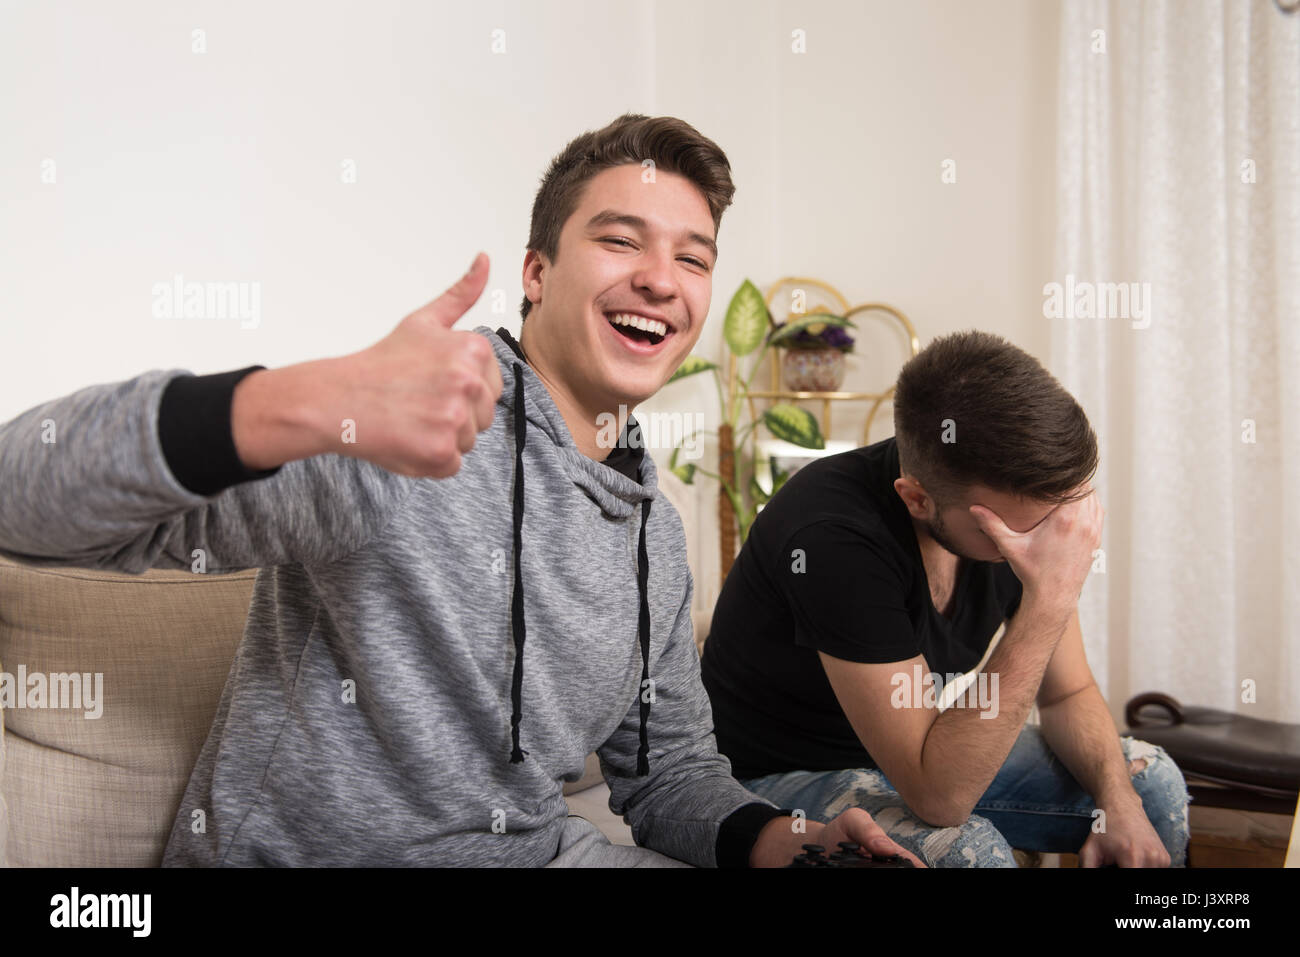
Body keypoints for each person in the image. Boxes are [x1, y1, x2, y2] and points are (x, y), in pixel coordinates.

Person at [0, 113, 920, 868]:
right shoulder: (402, 436)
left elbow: (670, 773)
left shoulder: (654, 533)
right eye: (619, 239)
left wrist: (789, 840)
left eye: (693, 257)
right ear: (536, 273)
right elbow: (20, 495)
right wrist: (298, 400)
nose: (660, 279)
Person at [700, 330, 1192, 867]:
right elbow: (941, 798)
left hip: (913, 751)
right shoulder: (832, 536)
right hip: (768, 778)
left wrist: (1117, 803)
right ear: (917, 499)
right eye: (1014, 535)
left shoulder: (1020, 508)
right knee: (966, 853)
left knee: (1148, 786)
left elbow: (1067, 693)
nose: (1043, 543)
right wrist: (1048, 599)